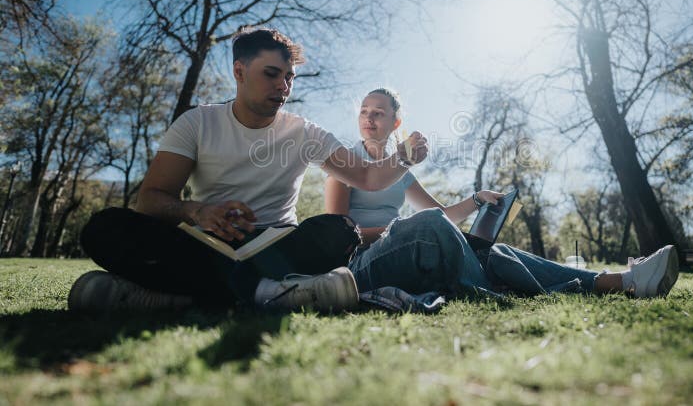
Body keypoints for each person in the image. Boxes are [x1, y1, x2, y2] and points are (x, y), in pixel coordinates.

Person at [68, 28, 429, 314]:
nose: (283, 87)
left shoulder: (304, 131)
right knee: (104, 228)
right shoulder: (197, 122)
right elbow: (150, 199)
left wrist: (404, 158)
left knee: (340, 231)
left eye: (289, 77)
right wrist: (196, 211)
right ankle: (265, 293)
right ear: (239, 72)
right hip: (204, 243)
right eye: (272, 74)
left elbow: (367, 177)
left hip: (278, 249)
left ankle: (180, 297)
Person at [325, 88, 679, 300]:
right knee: (442, 235)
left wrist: (477, 199)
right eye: (364, 112)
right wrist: (395, 230)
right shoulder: (344, 162)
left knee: (494, 251)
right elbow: (335, 235)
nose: (369, 119)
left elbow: (442, 215)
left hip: (411, 249)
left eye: (378, 113)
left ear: (395, 123)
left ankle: (625, 281)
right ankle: (494, 286)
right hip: (363, 264)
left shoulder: (400, 170)